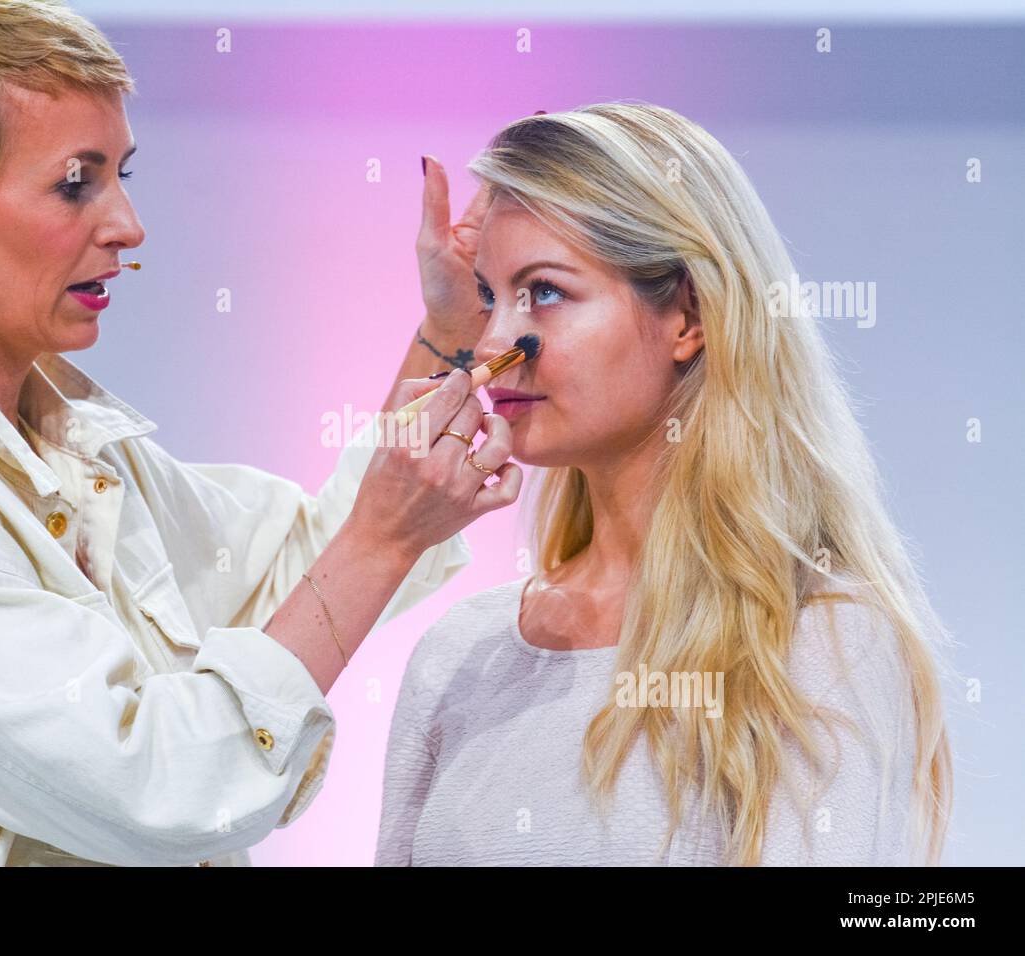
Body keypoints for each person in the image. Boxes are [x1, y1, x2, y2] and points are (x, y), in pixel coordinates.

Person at [0, 0, 521, 866]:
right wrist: (384, 535)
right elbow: (162, 790)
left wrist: (449, 335)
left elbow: (300, 567)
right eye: (77, 181)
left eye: (122, 174)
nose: (128, 226)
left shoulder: (70, 444)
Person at [376, 103, 954, 866]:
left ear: (687, 313)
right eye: (488, 297)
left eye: (543, 291)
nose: (490, 344)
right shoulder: (459, 654)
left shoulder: (822, 641)